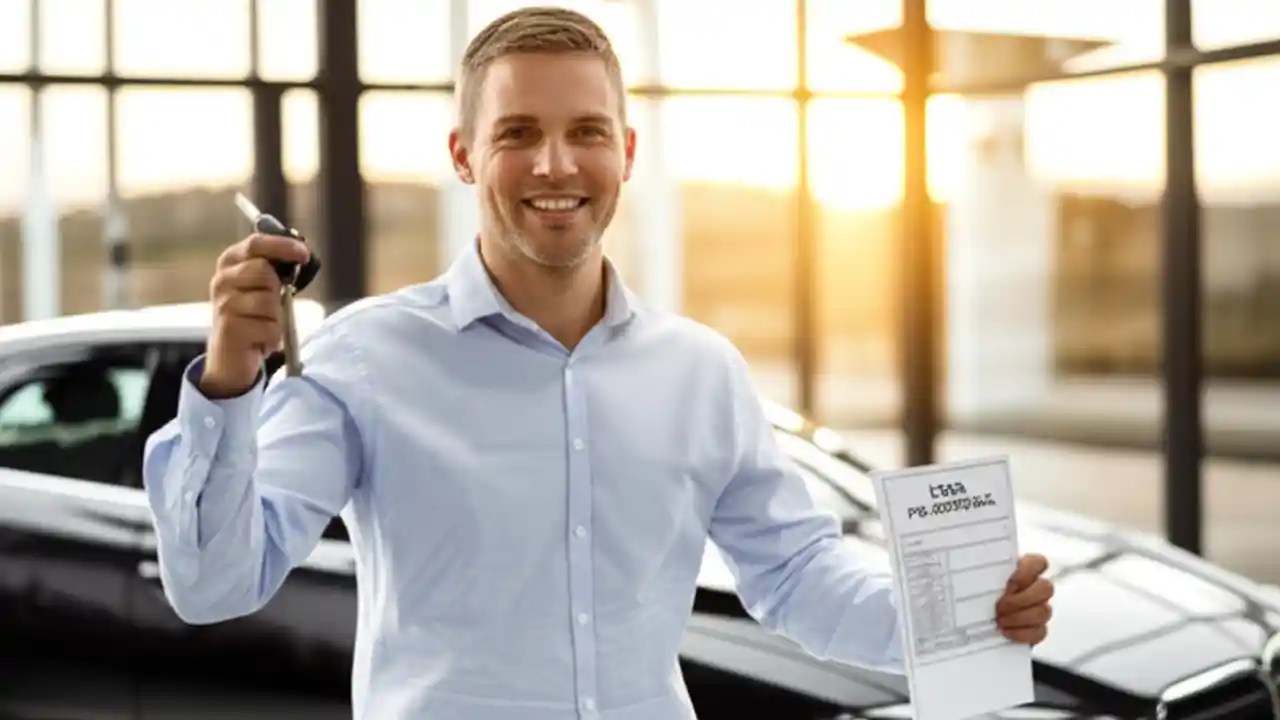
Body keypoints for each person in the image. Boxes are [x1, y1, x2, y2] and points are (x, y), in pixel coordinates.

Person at [142, 6, 1054, 719]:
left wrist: (961, 616)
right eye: (516, 134)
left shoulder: (700, 371)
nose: (554, 164)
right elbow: (216, 585)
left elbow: (796, 576)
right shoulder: (365, 359)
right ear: (464, 156)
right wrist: (226, 383)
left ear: (625, 151)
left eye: (585, 131)